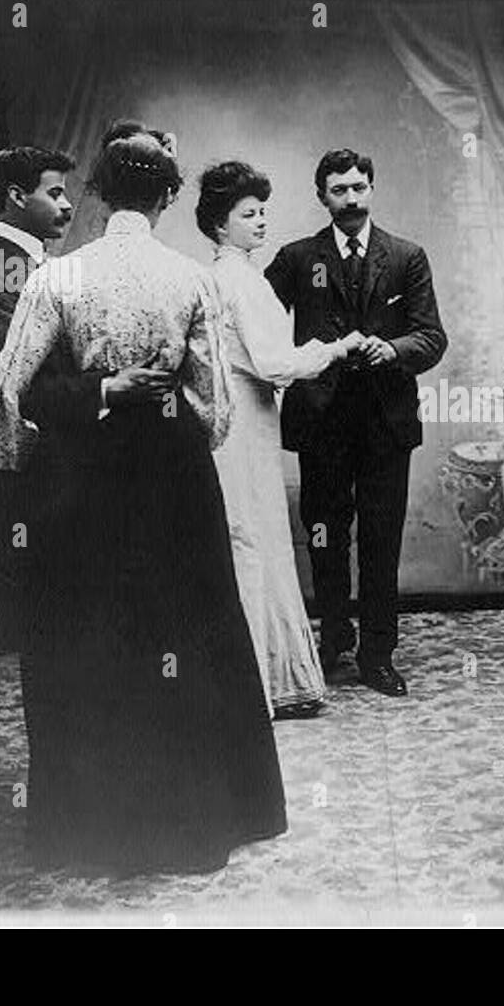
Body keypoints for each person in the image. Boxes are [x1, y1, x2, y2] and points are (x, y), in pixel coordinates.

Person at [0, 134, 286, 874]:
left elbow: (11, 390)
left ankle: (91, 825)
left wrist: (78, 410)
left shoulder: (58, 276)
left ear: (101, 194)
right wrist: (165, 415)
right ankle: (194, 817)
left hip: (81, 479)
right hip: (172, 474)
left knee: (90, 635)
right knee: (183, 629)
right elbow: (213, 410)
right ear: (169, 198)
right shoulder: (190, 279)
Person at [265, 149, 447, 697]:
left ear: (372, 189)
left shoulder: (406, 257)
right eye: (338, 190)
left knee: (380, 537)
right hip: (320, 422)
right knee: (324, 534)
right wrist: (306, 357)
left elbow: (432, 337)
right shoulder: (297, 259)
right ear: (321, 196)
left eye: (358, 187)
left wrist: (391, 350)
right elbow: (261, 328)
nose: (350, 198)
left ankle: (378, 653)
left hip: (385, 424)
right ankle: (334, 636)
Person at [197, 161, 361, 720]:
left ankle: (266, 680)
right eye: (248, 214)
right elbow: (271, 363)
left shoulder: (224, 275)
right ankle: (257, 686)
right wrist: (334, 349)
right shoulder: (238, 280)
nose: (261, 221)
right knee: (253, 539)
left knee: (252, 537)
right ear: (220, 225)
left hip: (244, 417)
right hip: (243, 418)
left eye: (263, 211)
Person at [0, 147, 102, 659]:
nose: (65, 204)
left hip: (55, 442)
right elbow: (12, 375)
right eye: (54, 192)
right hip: (26, 449)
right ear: (16, 197)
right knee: (32, 594)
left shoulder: (37, 264)